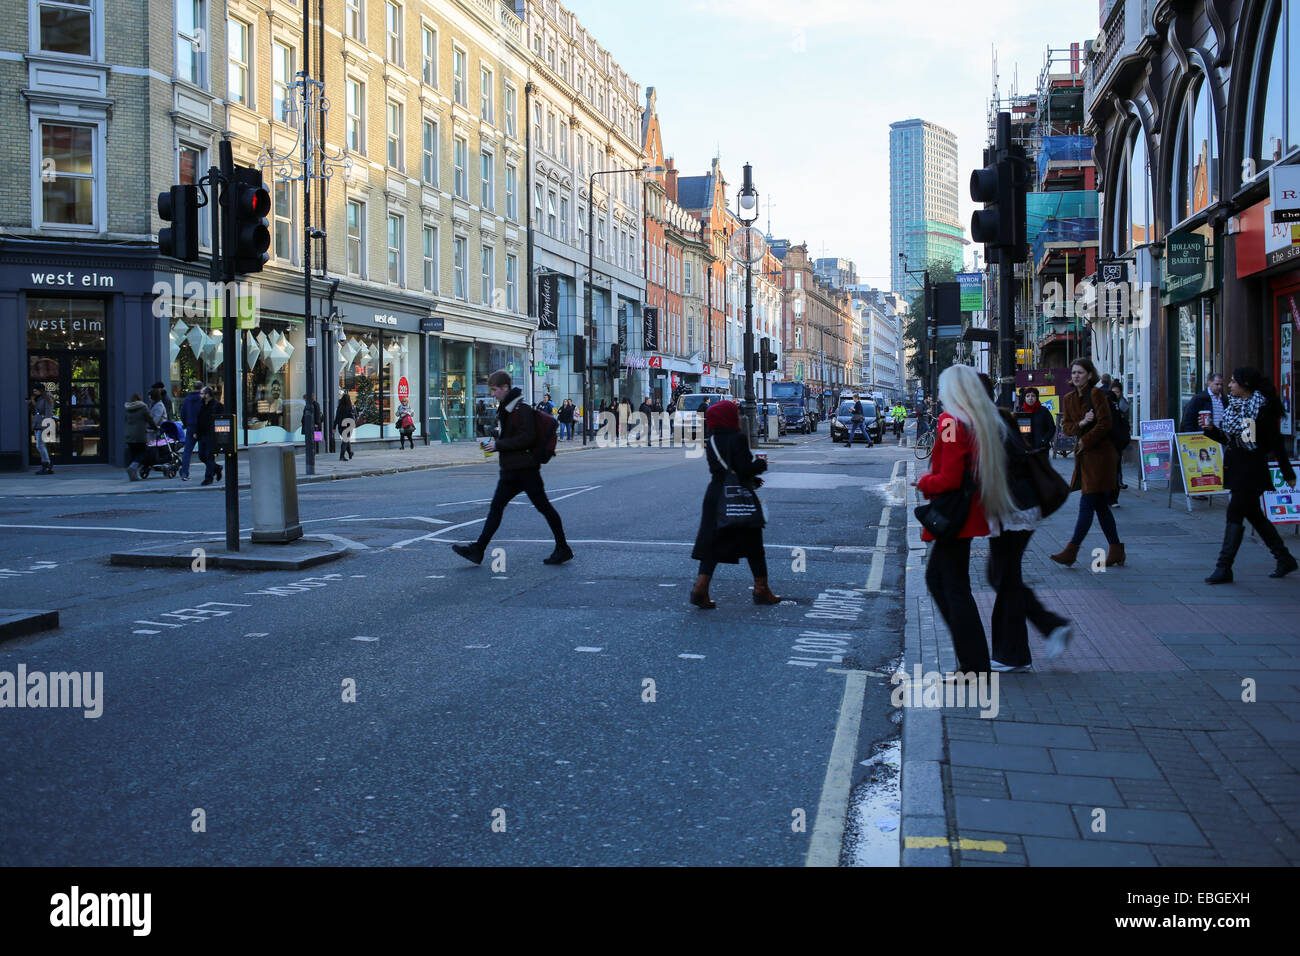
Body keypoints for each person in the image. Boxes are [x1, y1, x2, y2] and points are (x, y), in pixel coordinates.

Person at [913, 366, 1017, 675]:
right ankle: (973, 660)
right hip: (967, 515)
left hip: (953, 517)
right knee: (942, 581)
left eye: (944, 388)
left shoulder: (949, 422)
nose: (941, 394)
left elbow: (949, 478)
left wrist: (923, 482)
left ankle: (972, 664)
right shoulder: (975, 421)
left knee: (953, 588)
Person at [983, 377, 1075, 670]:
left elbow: (1000, 473)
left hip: (1015, 511)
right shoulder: (996, 418)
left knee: (1003, 578)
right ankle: (1047, 629)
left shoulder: (991, 424)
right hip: (1018, 509)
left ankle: (1013, 655)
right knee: (1002, 576)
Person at [452, 370, 572, 566]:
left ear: (505, 388)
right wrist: (496, 442)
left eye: (495, 389)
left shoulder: (520, 409)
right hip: (511, 470)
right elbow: (513, 436)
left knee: (544, 508)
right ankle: (478, 550)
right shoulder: (507, 409)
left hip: (525, 470)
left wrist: (498, 445)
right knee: (496, 509)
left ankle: (563, 548)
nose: (493, 393)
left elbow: (527, 438)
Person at [1202, 366, 1298, 583]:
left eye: (1233, 382)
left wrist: (1287, 472)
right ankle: (1284, 557)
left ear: (1245, 386)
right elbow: (1232, 440)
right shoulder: (1235, 406)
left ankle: (1224, 566)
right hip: (1237, 468)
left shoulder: (1260, 408)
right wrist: (1211, 432)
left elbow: (1275, 443)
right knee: (1255, 516)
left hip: (1251, 471)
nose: (1229, 385)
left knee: (1234, 513)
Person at [689, 399, 780, 608]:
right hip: (737, 498)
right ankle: (761, 588)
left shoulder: (711, 440)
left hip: (715, 496)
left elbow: (726, 469)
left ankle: (700, 588)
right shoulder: (737, 438)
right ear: (729, 417)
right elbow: (743, 468)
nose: (738, 416)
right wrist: (760, 465)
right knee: (754, 544)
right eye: (735, 413)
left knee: (711, 545)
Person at [1051, 358, 1124, 568]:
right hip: (1084, 457)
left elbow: (1105, 424)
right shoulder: (1069, 398)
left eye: (1080, 372)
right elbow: (1065, 427)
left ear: (1090, 375)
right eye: (1073, 372)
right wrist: (1082, 422)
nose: (1076, 376)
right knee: (1100, 506)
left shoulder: (1097, 394)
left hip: (1101, 457)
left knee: (1087, 503)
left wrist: (1085, 439)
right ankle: (1116, 549)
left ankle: (1071, 550)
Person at [195, 386, 225, 486]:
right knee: (202, 456)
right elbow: (199, 419)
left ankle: (208, 478)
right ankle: (217, 468)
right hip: (202, 434)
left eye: (202, 393)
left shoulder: (216, 406)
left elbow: (221, 420)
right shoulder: (201, 405)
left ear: (207, 394)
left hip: (211, 435)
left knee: (209, 456)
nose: (201, 395)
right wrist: (196, 432)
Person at [179, 381, 203, 480]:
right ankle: (211, 471)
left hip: (191, 428)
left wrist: (186, 424)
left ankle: (184, 472)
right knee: (205, 451)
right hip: (201, 428)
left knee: (187, 452)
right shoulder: (202, 399)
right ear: (201, 388)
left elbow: (182, 413)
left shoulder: (187, 399)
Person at [124, 393, 151, 481]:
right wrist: (155, 427)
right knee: (143, 452)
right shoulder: (143, 407)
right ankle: (133, 467)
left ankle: (133, 476)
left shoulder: (128, 408)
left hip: (129, 435)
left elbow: (126, 420)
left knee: (134, 453)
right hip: (139, 434)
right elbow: (149, 419)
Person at [29, 385, 55, 475]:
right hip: (38, 423)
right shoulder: (39, 399)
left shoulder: (47, 398)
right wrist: (31, 402)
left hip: (43, 424)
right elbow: (36, 411)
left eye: (35, 391)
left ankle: (46, 464)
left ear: (41, 390)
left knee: (40, 445)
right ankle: (46, 464)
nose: (34, 393)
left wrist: (46, 425)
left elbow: (48, 412)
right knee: (40, 445)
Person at [335, 391, 355, 461]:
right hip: (348, 426)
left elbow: (337, 417)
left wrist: (334, 427)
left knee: (346, 440)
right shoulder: (350, 408)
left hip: (340, 426)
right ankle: (341, 456)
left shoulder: (339, 407)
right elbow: (352, 417)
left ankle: (350, 453)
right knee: (345, 441)